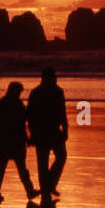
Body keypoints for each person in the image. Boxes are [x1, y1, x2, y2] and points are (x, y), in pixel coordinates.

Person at [0, 81, 39, 204]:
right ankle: (29, 191)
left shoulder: (0, 104)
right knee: (20, 169)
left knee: (1, 169)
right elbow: (22, 124)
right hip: (14, 141)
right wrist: (27, 138)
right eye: (18, 92)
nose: (19, 94)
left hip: (4, 142)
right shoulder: (17, 105)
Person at [26, 67, 68, 197]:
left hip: (52, 131)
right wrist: (32, 133)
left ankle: (49, 185)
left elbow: (62, 111)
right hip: (42, 132)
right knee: (44, 162)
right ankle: (47, 187)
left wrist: (66, 129)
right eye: (53, 77)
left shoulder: (57, 91)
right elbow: (30, 115)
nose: (55, 79)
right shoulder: (37, 92)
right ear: (46, 78)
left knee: (60, 157)